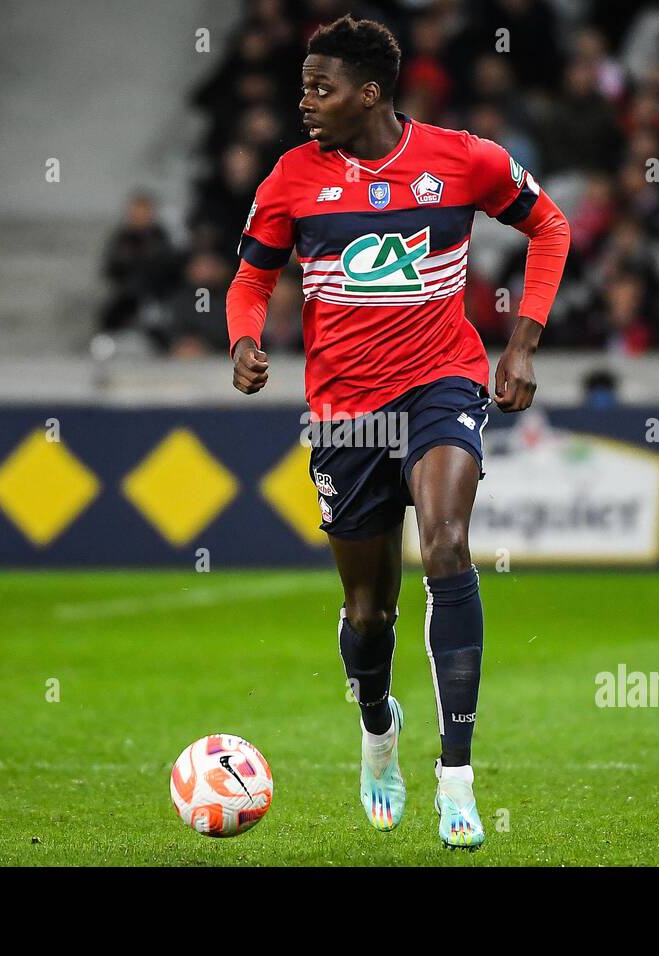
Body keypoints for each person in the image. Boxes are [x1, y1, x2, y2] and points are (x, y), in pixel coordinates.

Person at [225, 14, 569, 849]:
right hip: (345, 410)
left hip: (441, 383)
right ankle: (379, 732)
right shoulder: (290, 179)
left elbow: (549, 226)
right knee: (367, 610)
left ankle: (457, 776)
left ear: (368, 94)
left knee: (447, 546)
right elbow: (249, 276)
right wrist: (243, 338)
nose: (304, 102)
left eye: (321, 88)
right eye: (305, 86)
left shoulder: (461, 160)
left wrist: (520, 343)